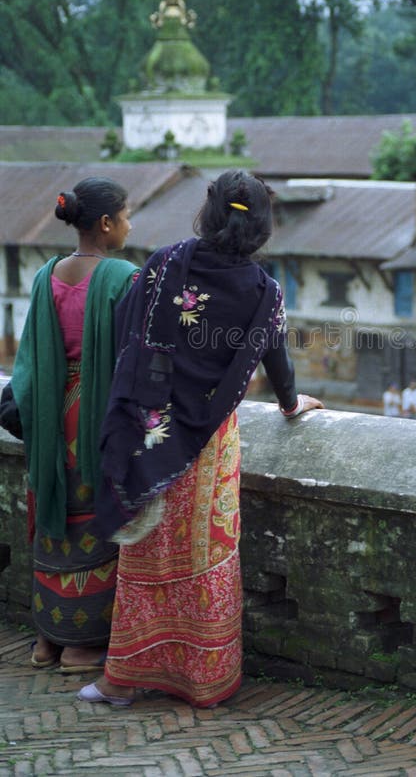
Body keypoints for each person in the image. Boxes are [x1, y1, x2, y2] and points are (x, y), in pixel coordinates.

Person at [78, 169, 324, 709]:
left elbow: (128, 329)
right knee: (207, 552)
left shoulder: (165, 264)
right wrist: (291, 405)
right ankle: (204, 680)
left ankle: (122, 679)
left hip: (150, 432)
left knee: (146, 551)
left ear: (208, 212)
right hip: (211, 442)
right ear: (261, 225)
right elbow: (276, 360)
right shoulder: (265, 292)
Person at [6, 178, 137, 673]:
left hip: (49, 415)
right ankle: (82, 645)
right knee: (94, 519)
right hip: (93, 415)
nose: (130, 223)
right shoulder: (123, 277)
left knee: (53, 516)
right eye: (126, 215)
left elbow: (30, 361)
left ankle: (48, 639)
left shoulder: (46, 275)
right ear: (105, 224)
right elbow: (136, 360)